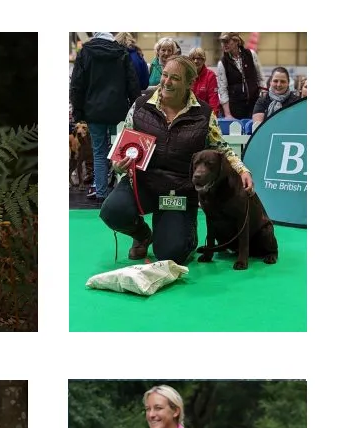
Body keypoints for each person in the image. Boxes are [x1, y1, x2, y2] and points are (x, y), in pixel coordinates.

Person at [99, 56, 253, 264]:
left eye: (175, 78)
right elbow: (123, 145)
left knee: (171, 254)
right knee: (112, 211)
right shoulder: (141, 105)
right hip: (142, 184)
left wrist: (243, 170)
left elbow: (221, 148)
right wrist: (117, 165)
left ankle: (186, 235)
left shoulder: (204, 113)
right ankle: (143, 235)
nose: (166, 82)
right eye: (164, 75)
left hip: (178, 192)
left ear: (190, 83)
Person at [71, 32, 139, 203]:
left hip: (94, 112)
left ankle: (101, 194)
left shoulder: (85, 52)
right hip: (119, 111)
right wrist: (135, 106)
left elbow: (77, 83)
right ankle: (122, 194)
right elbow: (132, 81)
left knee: (99, 153)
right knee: (121, 152)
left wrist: (78, 112)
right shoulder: (122, 52)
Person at [218, 33, 263, 120]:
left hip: (254, 105)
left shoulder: (251, 54)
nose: (224, 44)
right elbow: (222, 90)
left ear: (236, 41)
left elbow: (261, 78)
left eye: (226, 41)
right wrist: (228, 115)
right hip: (235, 108)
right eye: (222, 42)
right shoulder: (222, 63)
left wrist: (262, 100)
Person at [187, 47, 221, 115]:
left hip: (205, 115)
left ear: (204, 60)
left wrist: (213, 117)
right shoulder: (185, 75)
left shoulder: (210, 75)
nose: (196, 61)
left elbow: (213, 100)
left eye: (199, 58)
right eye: (193, 58)